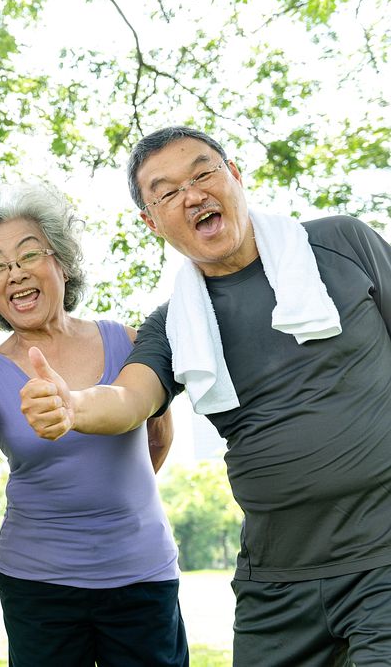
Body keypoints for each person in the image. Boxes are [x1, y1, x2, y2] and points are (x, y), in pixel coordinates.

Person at [22, 125, 391, 666]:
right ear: (151, 222)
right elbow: (129, 400)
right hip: (276, 583)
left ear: (235, 176)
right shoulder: (174, 324)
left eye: (203, 173)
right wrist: (73, 405)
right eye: (167, 192)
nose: (191, 195)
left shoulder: (342, 244)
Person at [0, 182, 187, 666]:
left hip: (143, 576)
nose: (15, 273)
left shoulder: (130, 342)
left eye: (29, 255)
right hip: (39, 586)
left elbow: (158, 432)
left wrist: (114, 510)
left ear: (62, 263)